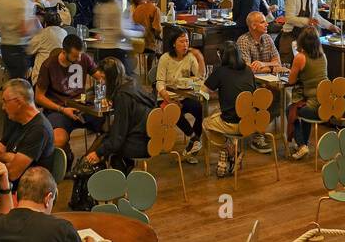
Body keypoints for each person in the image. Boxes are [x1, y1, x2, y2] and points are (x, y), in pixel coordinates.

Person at [36, 33, 105, 154]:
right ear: (64, 52)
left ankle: (88, 159)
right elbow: (39, 97)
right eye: (74, 56)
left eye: (80, 54)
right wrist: (62, 109)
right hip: (58, 110)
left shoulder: (83, 58)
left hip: (82, 106)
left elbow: (100, 77)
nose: (79, 59)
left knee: (110, 127)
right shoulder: (48, 65)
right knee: (58, 140)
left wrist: (101, 89)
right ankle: (67, 156)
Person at [89, 56, 155, 173]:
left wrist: (98, 152)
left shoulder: (122, 96)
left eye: (103, 79)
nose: (102, 82)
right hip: (151, 138)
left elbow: (118, 137)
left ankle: (124, 181)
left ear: (112, 78)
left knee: (108, 148)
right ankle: (128, 172)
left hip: (141, 143)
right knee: (106, 141)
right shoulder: (133, 84)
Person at [204, 41, 258, 178]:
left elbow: (205, 90)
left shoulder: (220, 71)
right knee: (218, 112)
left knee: (206, 123)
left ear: (221, 55)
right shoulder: (248, 69)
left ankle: (230, 150)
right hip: (251, 122)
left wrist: (220, 91)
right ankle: (229, 153)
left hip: (232, 123)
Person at [155, 27, 206, 162]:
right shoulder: (165, 58)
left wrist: (199, 57)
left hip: (184, 96)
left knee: (201, 109)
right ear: (173, 43)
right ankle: (193, 138)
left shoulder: (189, 57)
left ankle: (192, 143)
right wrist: (169, 100)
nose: (185, 45)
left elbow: (200, 77)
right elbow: (159, 83)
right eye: (181, 41)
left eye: (187, 41)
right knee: (173, 110)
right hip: (166, 97)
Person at [0, 80, 55, 186]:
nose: (3, 107)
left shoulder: (39, 129)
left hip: (29, 190)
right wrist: (11, 157)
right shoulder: (15, 118)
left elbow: (12, 173)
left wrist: (3, 155)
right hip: (8, 183)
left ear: (18, 102)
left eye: (5, 101)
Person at [286, 26, 327, 160]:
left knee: (292, 110)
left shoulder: (300, 58)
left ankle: (302, 144)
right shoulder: (323, 56)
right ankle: (303, 143)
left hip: (314, 106)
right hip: (327, 104)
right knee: (303, 106)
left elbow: (291, 81)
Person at [27, 8, 68, 81]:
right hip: (60, 77)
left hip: (42, 78)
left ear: (45, 23)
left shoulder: (42, 34)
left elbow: (28, 50)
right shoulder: (64, 33)